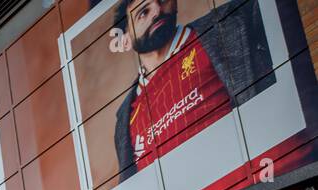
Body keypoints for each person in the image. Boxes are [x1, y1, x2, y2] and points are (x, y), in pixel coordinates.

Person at [112, 0, 271, 178]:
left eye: (162, 1)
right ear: (125, 40)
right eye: (143, 12)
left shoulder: (230, 24)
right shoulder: (126, 118)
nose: (157, 11)